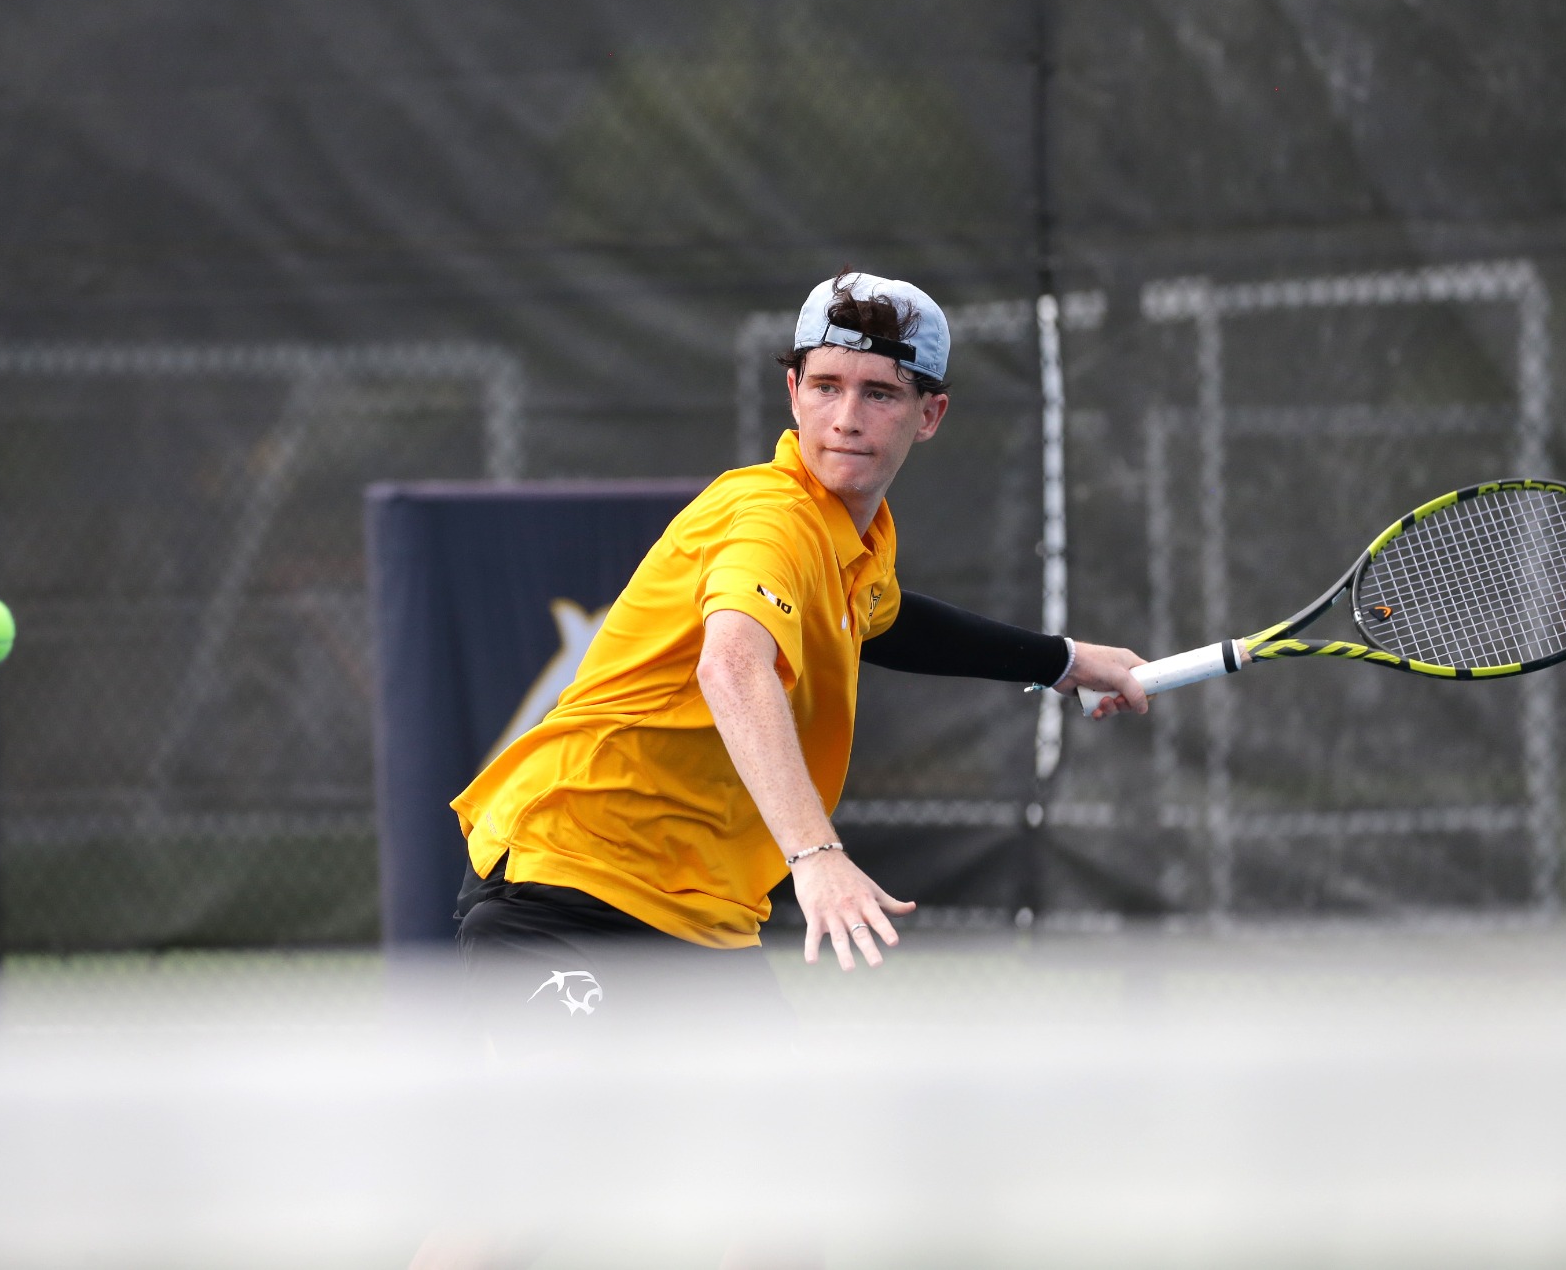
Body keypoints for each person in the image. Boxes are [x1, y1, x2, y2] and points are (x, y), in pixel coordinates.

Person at [443, 270, 1150, 1053]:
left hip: (700, 917)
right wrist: (816, 855)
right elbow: (732, 666)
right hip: (562, 886)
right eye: (826, 386)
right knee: (572, 1132)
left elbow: (889, 622)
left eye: (880, 393)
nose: (846, 417)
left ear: (930, 414)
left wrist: (1064, 660)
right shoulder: (772, 519)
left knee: (795, 1129)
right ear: (793, 392)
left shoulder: (855, 540)